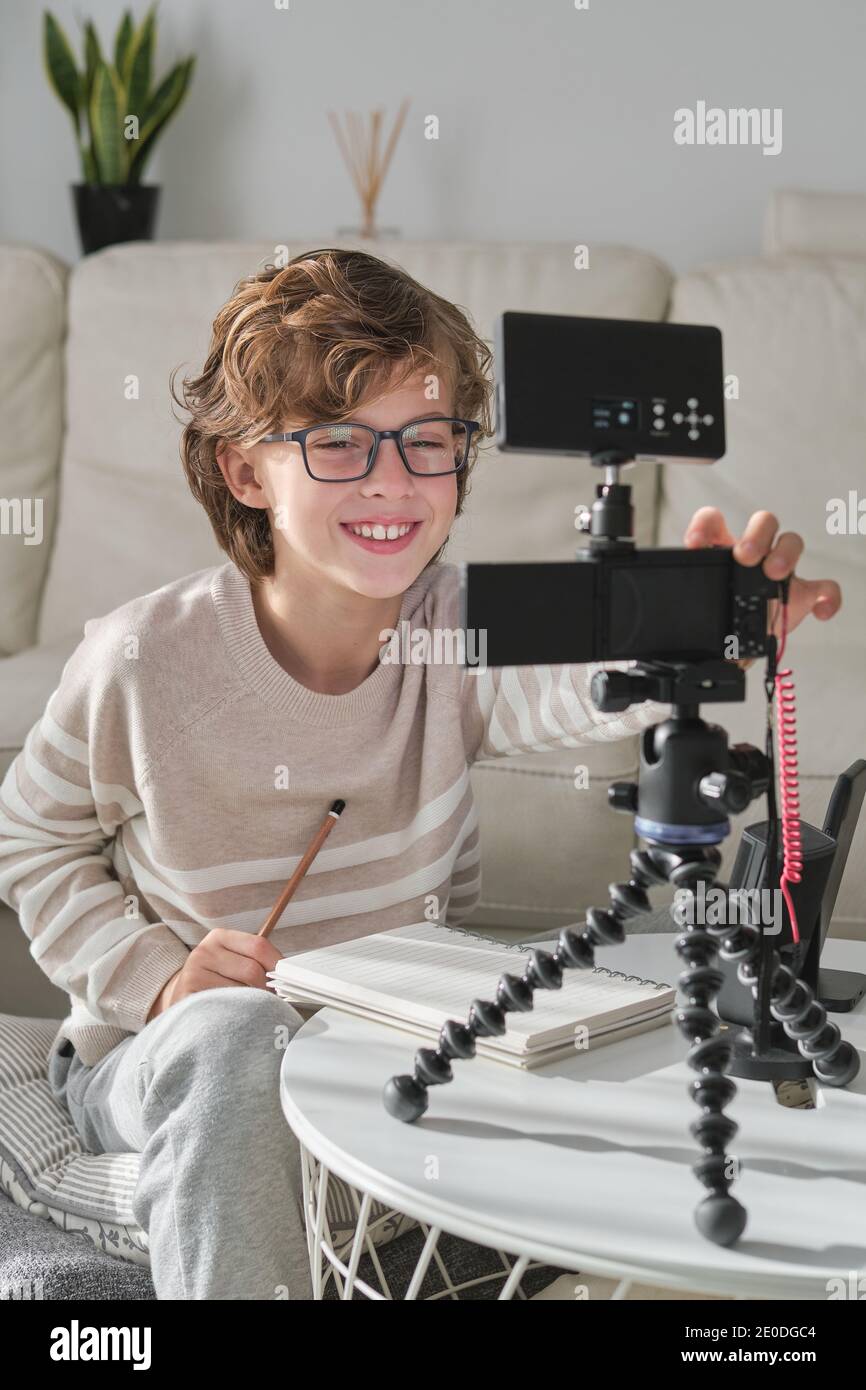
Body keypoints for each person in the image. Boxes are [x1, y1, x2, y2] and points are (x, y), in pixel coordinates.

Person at [0, 248, 841, 1300]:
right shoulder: (140, 661)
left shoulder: (453, 629)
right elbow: (28, 836)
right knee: (234, 1031)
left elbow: (580, 670)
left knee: (600, 1030)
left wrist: (711, 609)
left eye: (425, 442)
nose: (392, 480)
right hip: (158, 1057)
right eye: (341, 443)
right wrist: (154, 976)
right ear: (245, 470)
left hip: (370, 1049)